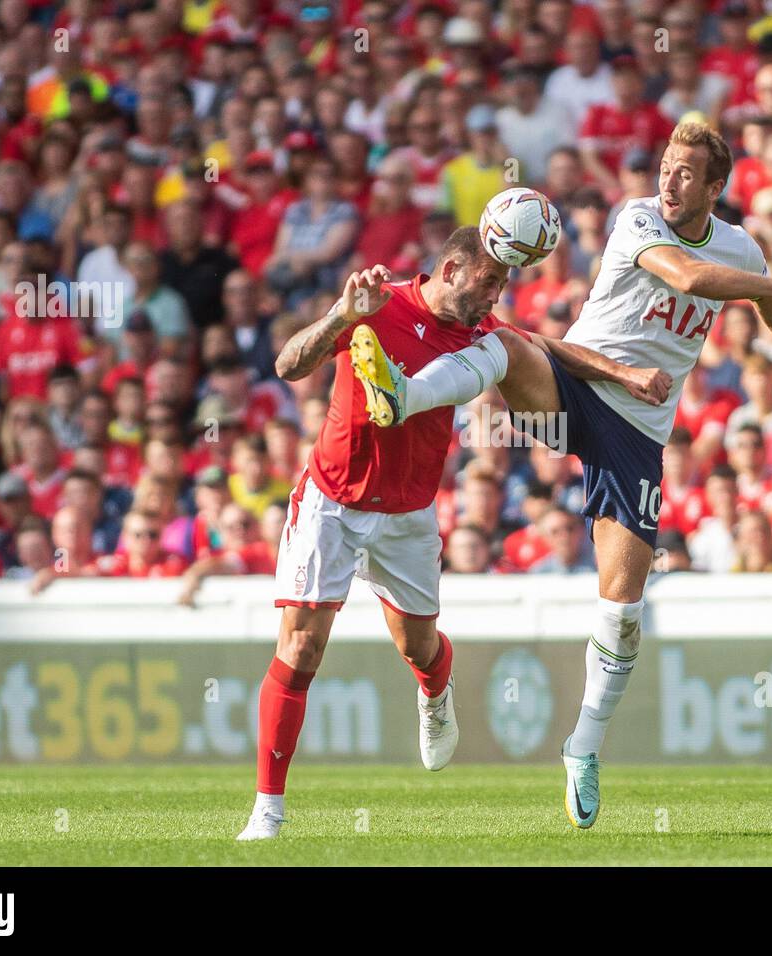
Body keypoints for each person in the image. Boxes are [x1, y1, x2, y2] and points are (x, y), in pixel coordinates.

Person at [350, 121, 772, 828]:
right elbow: (690, 277)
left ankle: (583, 745)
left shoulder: (741, 250)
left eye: (686, 174)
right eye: (666, 167)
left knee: (624, 610)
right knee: (507, 342)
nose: (669, 181)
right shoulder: (636, 217)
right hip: (576, 383)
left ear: (715, 188)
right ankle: (405, 392)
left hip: (637, 430)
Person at [237, 233, 663, 842]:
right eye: (487, 281)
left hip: (409, 514)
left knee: (418, 645)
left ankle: (435, 691)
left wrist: (626, 373)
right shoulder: (375, 303)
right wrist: (339, 314)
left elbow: (548, 348)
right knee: (301, 648)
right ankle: (268, 812)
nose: (494, 295)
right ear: (450, 268)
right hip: (331, 502)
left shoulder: (481, 332)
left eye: (502, 287)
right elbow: (288, 366)